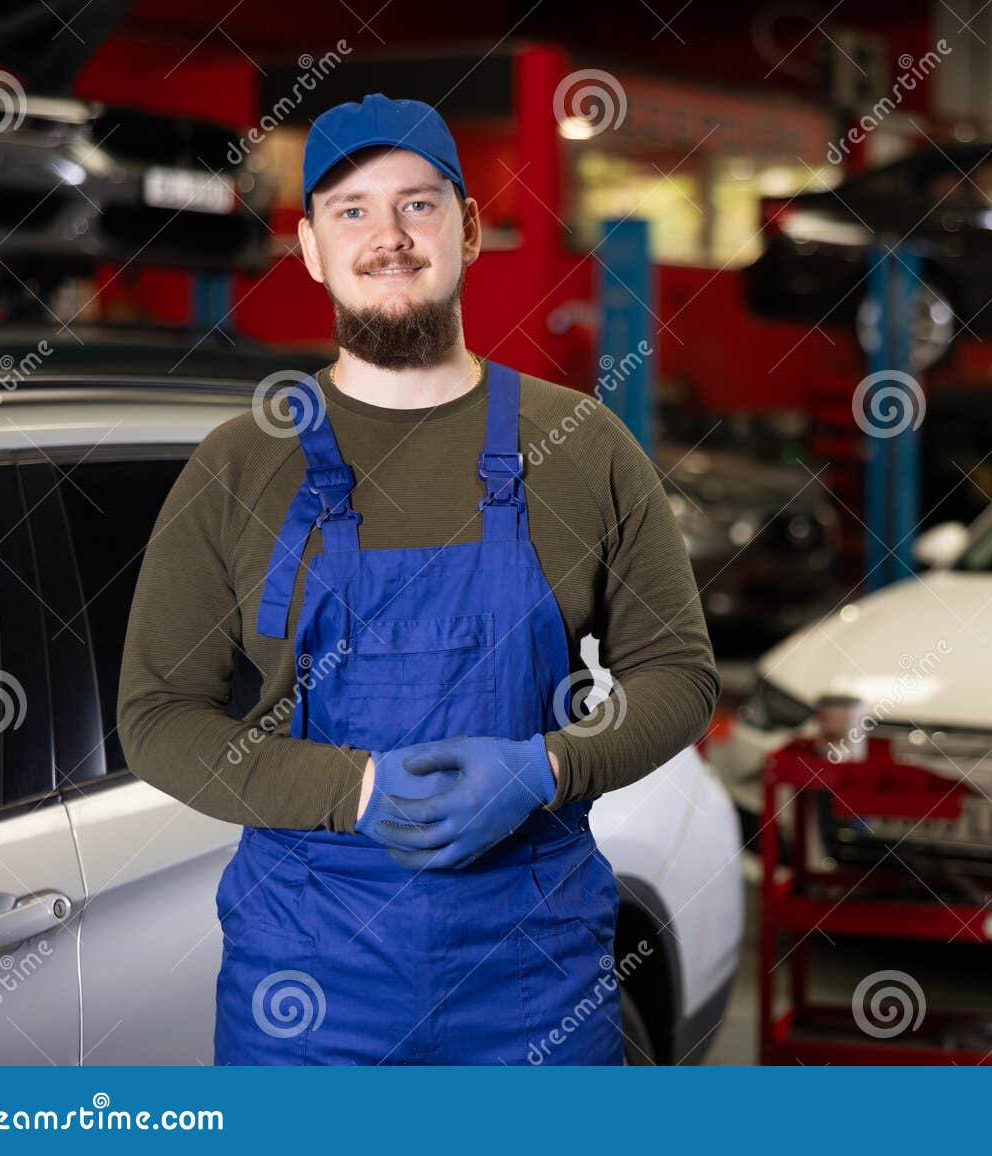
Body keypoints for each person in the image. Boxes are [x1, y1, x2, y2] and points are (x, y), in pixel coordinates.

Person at [116, 93, 719, 1065]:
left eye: (417, 205)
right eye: (351, 210)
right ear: (310, 247)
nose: (387, 237)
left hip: (536, 990)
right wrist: (349, 789)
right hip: (304, 998)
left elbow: (679, 675)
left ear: (469, 228)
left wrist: (546, 768)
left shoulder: (580, 447)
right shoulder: (238, 464)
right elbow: (156, 715)